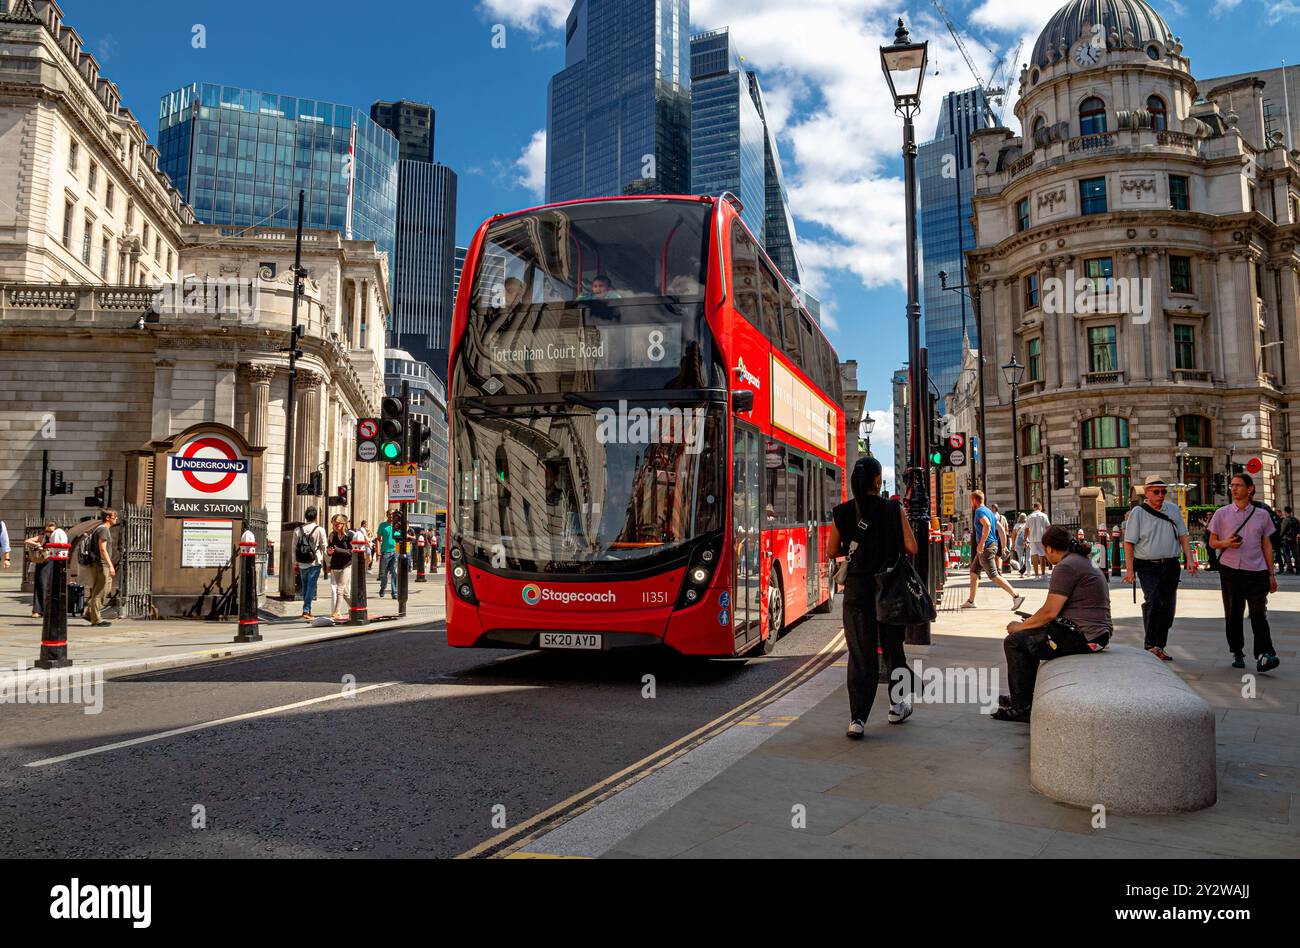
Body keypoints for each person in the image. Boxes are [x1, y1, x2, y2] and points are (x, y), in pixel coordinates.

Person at [828, 456, 918, 738]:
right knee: (894, 650)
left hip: (856, 591)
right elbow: (911, 547)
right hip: (889, 589)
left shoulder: (843, 512)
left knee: (860, 654)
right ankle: (897, 705)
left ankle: (857, 719)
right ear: (878, 481)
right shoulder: (893, 508)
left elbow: (832, 551)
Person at [994, 526, 1113, 722]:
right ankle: (1023, 697)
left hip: (1085, 636)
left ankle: (1022, 706)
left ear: (1049, 548)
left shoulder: (1066, 567)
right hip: (1095, 633)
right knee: (1031, 635)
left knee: (1015, 641)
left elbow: (1049, 612)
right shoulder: (1081, 560)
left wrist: (1019, 626)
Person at [1208, 474, 1280, 672]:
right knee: (1233, 613)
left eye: (1238, 485)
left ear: (1250, 489)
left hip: (1256, 571)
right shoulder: (1221, 513)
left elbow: (1266, 544)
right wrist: (1226, 543)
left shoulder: (1262, 515)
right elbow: (1212, 542)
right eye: (1232, 485)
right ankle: (1237, 651)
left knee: (1259, 613)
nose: (1234, 488)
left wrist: (1271, 574)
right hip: (1230, 570)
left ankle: (1265, 654)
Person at [1123, 475, 1198, 661]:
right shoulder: (1138, 513)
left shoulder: (1172, 509)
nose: (1160, 495)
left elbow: (1183, 535)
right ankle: (1151, 645)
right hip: (1147, 566)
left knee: (1168, 608)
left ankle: (1159, 644)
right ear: (1147, 493)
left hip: (1171, 565)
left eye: (1163, 491)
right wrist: (1130, 569)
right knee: (1155, 602)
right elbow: (1128, 542)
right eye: (1156, 491)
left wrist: (1190, 559)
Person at [961, 491, 1025, 611]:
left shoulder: (979, 511)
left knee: (994, 576)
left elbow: (987, 525)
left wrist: (981, 544)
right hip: (991, 545)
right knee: (974, 572)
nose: (971, 503)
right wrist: (1004, 545)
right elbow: (1001, 529)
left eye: (971, 500)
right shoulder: (989, 511)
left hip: (986, 548)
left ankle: (1016, 596)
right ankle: (971, 601)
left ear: (974, 500)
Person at [84, 509, 117, 627]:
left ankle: (89, 613)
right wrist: (110, 565)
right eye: (114, 516)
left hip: (99, 564)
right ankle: (96, 619)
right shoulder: (103, 530)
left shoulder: (100, 529)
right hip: (101, 564)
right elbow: (102, 549)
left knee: (106, 589)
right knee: (100, 591)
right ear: (108, 518)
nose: (116, 518)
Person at [293, 507, 327, 620]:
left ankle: (307, 609)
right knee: (311, 587)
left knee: (305, 586)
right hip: (315, 561)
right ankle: (306, 609)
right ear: (316, 517)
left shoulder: (298, 530)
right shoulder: (320, 530)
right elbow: (324, 547)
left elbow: (294, 547)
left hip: (302, 562)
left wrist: (295, 562)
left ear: (305, 516)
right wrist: (328, 561)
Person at [325, 515, 354, 623]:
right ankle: (355, 607)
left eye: (338, 524)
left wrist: (338, 550)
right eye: (334, 524)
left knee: (339, 589)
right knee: (345, 593)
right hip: (336, 565)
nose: (336, 526)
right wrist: (330, 551)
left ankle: (336, 612)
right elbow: (329, 550)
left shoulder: (350, 535)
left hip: (346, 565)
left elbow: (352, 552)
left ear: (343, 524)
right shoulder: (332, 535)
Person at [24, 522, 56, 618]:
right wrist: (38, 545)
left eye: (51, 531)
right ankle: (37, 610)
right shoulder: (42, 537)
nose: (48, 533)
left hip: (53, 563)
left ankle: (48, 609)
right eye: (47, 531)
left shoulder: (56, 537)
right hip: (42, 563)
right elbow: (27, 541)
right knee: (40, 585)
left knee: (51, 587)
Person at [377, 510, 400, 597]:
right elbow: (378, 539)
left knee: (394, 572)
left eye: (393, 514)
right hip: (385, 552)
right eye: (389, 514)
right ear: (387, 515)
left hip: (395, 552)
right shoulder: (382, 526)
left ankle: (394, 592)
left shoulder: (397, 526)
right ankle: (383, 588)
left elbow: (400, 538)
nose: (391, 516)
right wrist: (378, 551)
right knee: (383, 573)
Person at [1025, 501, 1051, 577]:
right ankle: (1043, 573)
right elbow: (1048, 527)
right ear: (1040, 507)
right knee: (1042, 555)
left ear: (1034, 507)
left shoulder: (1029, 516)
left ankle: (1036, 574)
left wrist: (1025, 539)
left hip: (1032, 538)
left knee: (1034, 555)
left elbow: (1026, 529)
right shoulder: (1044, 516)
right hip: (1042, 537)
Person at [1280, 506, 1299, 575]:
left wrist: (1280, 537)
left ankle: (1289, 569)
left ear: (1285, 512)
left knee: (1287, 555)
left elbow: (1282, 530)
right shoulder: (1295, 519)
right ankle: (1298, 569)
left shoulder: (1286, 520)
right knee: (1296, 555)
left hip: (1286, 540)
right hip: (1294, 539)